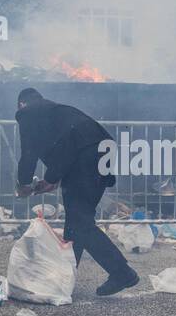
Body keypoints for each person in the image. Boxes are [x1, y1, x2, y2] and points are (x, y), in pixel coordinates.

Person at [14, 87, 139, 296]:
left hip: (85, 157)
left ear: (21, 104)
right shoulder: (56, 111)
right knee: (76, 222)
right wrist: (54, 177)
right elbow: (69, 143)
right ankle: (66, 277)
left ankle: (122, 272)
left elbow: (29, 152)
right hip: (103, 150)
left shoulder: (27, 113)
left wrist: (24, 184)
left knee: (80, 223)